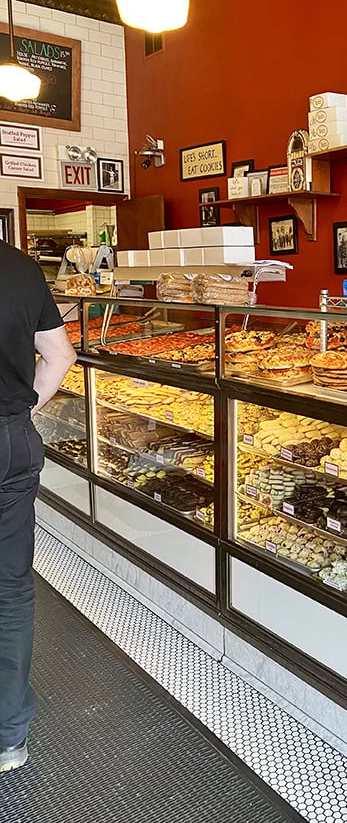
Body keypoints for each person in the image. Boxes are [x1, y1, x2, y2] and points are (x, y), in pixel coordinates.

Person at [0, 243, 76, 773]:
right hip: (11, 442)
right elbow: (60, 355)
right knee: (10, 589)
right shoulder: (21, 267)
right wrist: (21, 411)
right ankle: (9, 737)